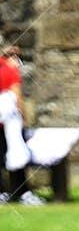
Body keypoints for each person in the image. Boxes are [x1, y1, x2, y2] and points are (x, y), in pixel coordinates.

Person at [0, 42, 40, 205]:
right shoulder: (11, 71)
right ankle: (22, 192)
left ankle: (2, 192)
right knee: (17, 155)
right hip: (9, 123)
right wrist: (23, 116)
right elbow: (17, 96)